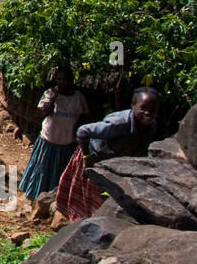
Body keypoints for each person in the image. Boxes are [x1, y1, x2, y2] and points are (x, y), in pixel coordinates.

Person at [57, 87, 161, 221]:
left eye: (153, 110)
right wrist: (87, 158)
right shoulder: (118, 124)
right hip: (94, 158)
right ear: (133, 106)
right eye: (143, 108)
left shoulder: (151, 126)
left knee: (104, 201)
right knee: (89, 199)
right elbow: (82, 132)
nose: (148, 113)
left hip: (115, 164)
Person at [18, 65, 87, 200]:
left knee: (60, 174)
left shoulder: (78, 97)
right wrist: (54, 97)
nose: (63, 82)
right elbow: (44, 112)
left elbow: (84, 116)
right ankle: (36, 198)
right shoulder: (50, 94)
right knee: (43, 171)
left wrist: (76, 132)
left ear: (72, 80)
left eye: (66, 79)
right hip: (49, 141)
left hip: (67, 143)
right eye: (60, 79)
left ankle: (56, 201)